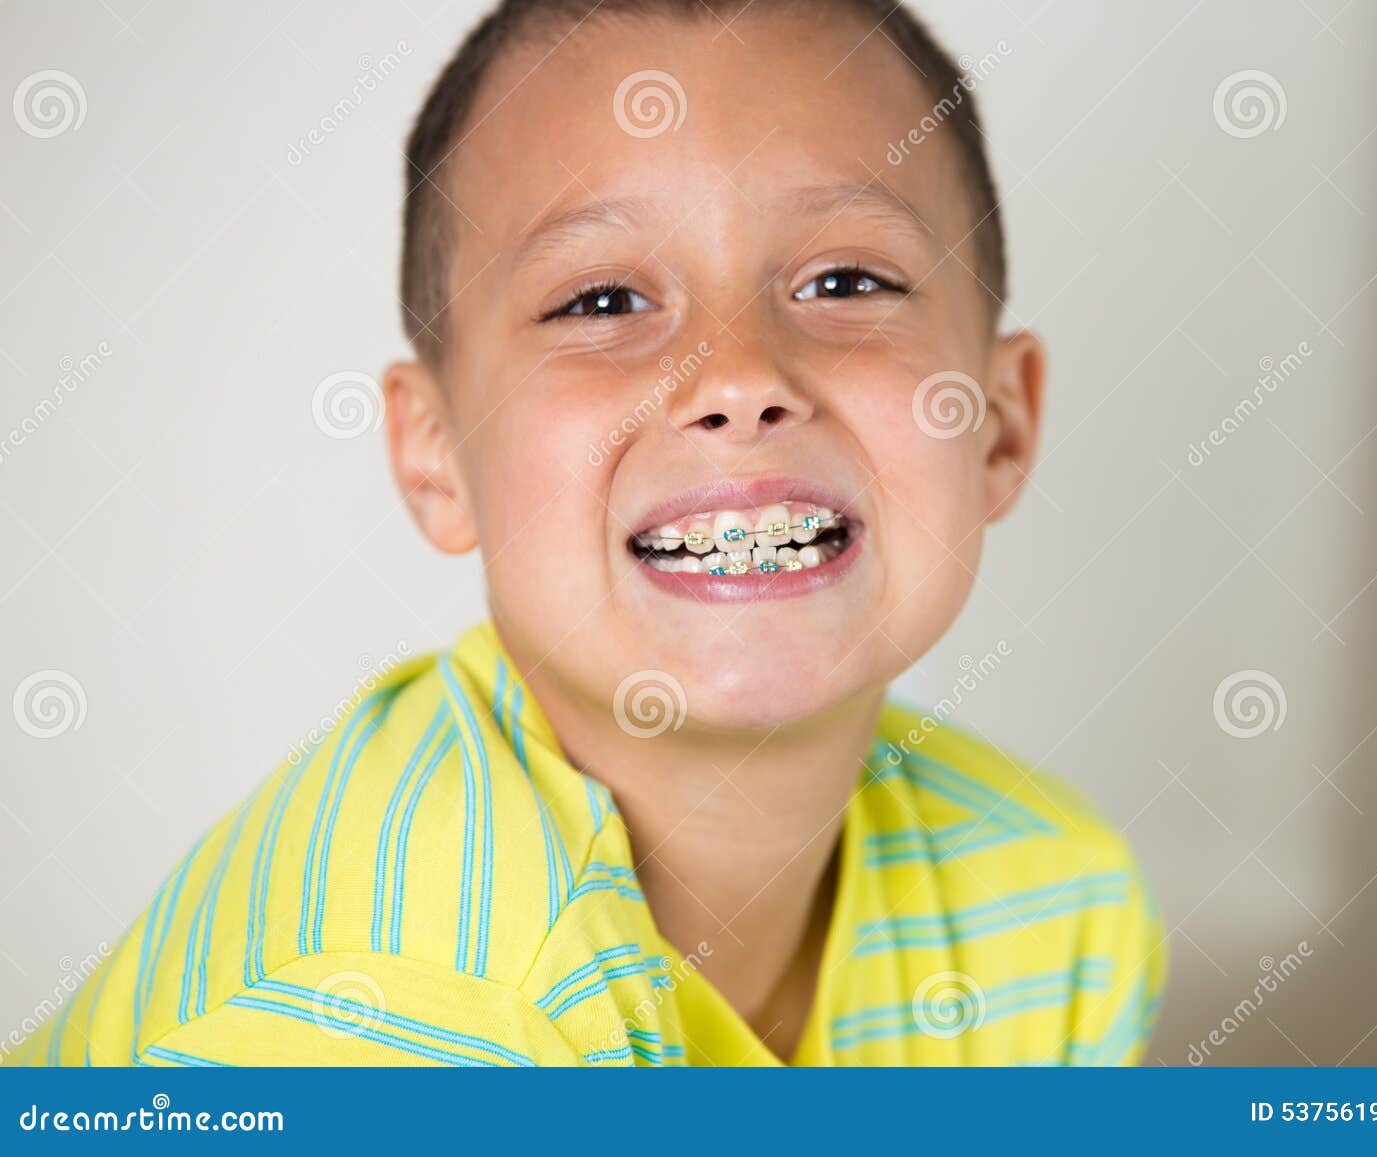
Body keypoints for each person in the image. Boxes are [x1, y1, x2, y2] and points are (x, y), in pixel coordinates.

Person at [6, 0, 1166, 1067]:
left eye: (847, 279)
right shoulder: (412, 1007)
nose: (741, 378)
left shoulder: (1057, 907)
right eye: (602, 301)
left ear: (999, 428)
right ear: (437, 453)